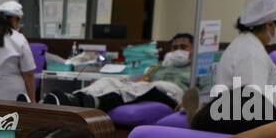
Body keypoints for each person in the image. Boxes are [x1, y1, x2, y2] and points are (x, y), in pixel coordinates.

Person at [192, 0, 276, 133]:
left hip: (233, 111)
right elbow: (253, 102)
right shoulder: (252, 52)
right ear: (269, 25)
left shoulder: (245, 43)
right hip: (239, 120)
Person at [42, 33, 195, 111]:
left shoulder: (196, 69)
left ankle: (98, 102)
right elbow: (142, 80)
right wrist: (123, 84)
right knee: (107, 81)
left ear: (193, 49)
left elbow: (201, 95)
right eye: (175, 48)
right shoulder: (159, 66)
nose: (178, 51)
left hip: (173, 95)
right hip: (150, 87)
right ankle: (69, 99)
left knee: (144, 87)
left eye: (183, 47)